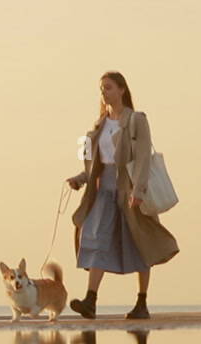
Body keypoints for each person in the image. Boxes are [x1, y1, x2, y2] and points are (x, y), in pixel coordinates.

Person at [65, 72, 180, 320]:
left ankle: (141, 302)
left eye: (108, 87)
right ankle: (91, 300)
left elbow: (141, 159)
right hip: (103, 190)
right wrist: (80, 179)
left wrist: (138, 191)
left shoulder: (136, 120)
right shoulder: (99, 125)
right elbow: (94, 164)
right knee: (96, 238)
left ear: (122, 90)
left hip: (129, 188)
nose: (103, 92)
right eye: (101, 88)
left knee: (140, 241)